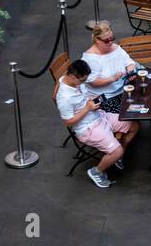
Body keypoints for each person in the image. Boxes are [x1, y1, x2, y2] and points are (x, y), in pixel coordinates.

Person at [57, 59, 138, 188]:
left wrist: (90, 103)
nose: (84, 83)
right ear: (72, 76)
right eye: (82, 80)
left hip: (99, 116)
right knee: (118, 151)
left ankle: (116, 155)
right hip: (88, 128)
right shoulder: (65, 98)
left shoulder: (71, 81)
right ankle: (97, 171)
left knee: (134, 126)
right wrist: (87, 109)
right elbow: (68, 122)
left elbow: (81, 96)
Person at [81, 23, 137, 98]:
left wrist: (130, 71)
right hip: (104, 96)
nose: (110, 42)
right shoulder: (90, 58)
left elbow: (129, 62)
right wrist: (113, 78)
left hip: (122, 89)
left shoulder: (115, 48)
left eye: (112, 39)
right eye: (106, 41)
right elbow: (93, 82)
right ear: (97, 40)